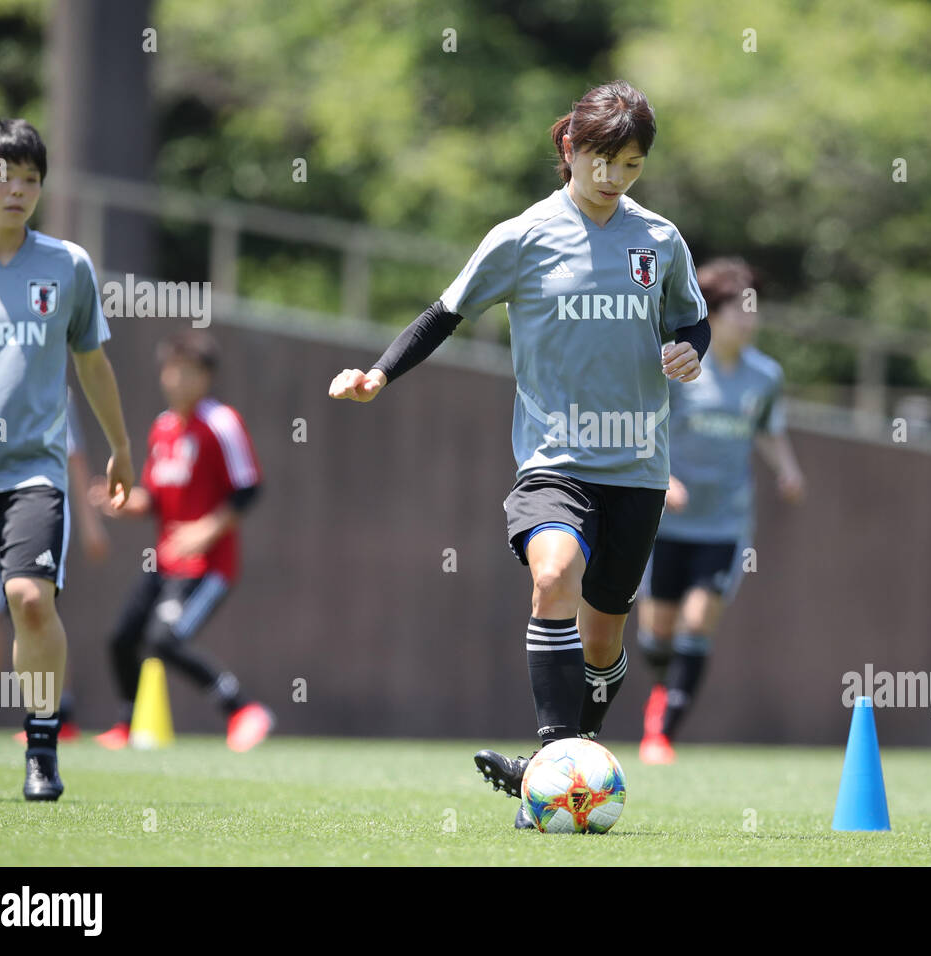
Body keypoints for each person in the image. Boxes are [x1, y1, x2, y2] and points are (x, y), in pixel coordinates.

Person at [329, 80, 710, 828]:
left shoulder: (659, 241)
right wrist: (379, 373)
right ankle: (553, 758)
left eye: (629, 165)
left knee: (604, 640)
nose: (612, 179)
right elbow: (445, 312)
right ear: (570, 148)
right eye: (600, 160)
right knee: (555, 572)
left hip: (636, 468)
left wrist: (689, 354)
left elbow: (692, 322)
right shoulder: (521, 236)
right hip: (554, 461)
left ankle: (565, 767)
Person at [0, 117, 136, 801]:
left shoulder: (68, 265)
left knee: (30, 599)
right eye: (5, 177)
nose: (19, 190)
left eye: (31, 179)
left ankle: (41, 747)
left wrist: (121, 447)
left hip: (34, 470)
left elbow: (92, 363)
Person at [636, 257, 805, 764]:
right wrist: (663, 479)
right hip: (666, 523)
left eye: (755, 311)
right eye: (740, 311)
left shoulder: (764, 375)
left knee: (699, 617)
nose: (751, 321)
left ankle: (663, 733)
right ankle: (661, 692)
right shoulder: (680, 364)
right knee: (655, 635)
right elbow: (644, 425)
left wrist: (788, 469)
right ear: (712, 315)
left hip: (725, 523)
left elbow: (768, 427)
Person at [90, 331, 273, 752]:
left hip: (209, 568)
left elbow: (248, 488)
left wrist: (205, 530)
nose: (177, 380)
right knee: (122, 636)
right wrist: (123, 503)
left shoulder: (221, 423)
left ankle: (243, 710)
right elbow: (155, 498)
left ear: (207, 378)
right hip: (164, 563)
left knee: (163, 640)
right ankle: (127, 722)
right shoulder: (164, 428)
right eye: (172, 370)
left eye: (189, 372)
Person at [0, 389, 110, 742]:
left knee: (36, 607)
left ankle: (55, 715)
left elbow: (74, 455)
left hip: (35, 507)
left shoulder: (53, 384)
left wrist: (90, 525)